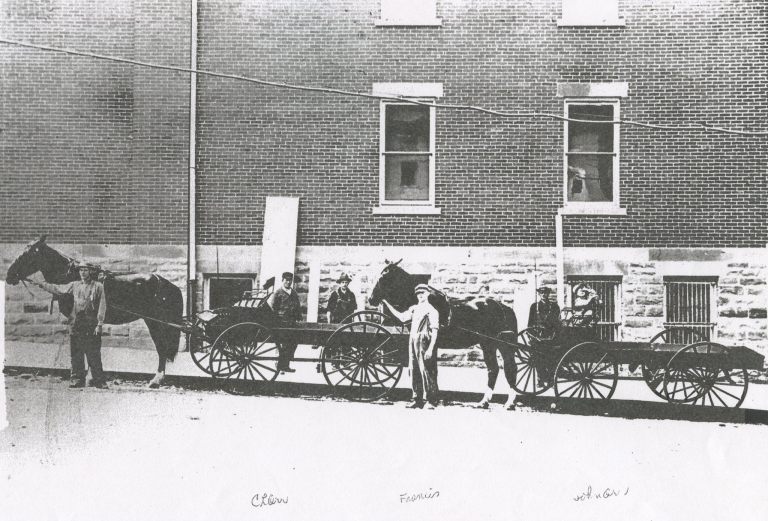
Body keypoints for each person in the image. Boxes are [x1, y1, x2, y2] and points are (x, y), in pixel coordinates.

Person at [29, 263, 108, 388]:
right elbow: (58, 289)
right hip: (76, 323)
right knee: (76, 353)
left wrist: (99, 324)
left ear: (91, 272)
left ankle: (99, 381)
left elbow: (102, 306)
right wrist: (42, 284)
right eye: (81, 270)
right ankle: (77, 379)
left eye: (85, 270)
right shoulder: (74, 285)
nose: (83, 272)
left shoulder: (98, 286)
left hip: (91, 324)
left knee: (94, 353)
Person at [382, 284, 440, 409]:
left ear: (428, 294)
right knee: (413, 369)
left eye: (423, 293)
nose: (420, 295)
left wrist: (430, 349)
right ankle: (417, 398)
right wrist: (387, 304)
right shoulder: (414, 308)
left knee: (426, 370)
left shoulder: (432, 311)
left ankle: (431, 400)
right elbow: (402, 317)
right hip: (412, 339)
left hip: (424, 340)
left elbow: (435, 332)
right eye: (418, 293)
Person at [267, 271, 301, 373]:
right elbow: (272, 307)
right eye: (286, 280)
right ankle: (279, 365)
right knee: (282, 344)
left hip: (292, 323)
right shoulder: (278, 293)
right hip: (281, 322)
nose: (288, 282)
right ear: (283, 280)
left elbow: (298, 306)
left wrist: (298, 315)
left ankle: (286, 365)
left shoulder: (294, 293)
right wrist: (275, 320)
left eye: (290, 280)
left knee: (293, 343)